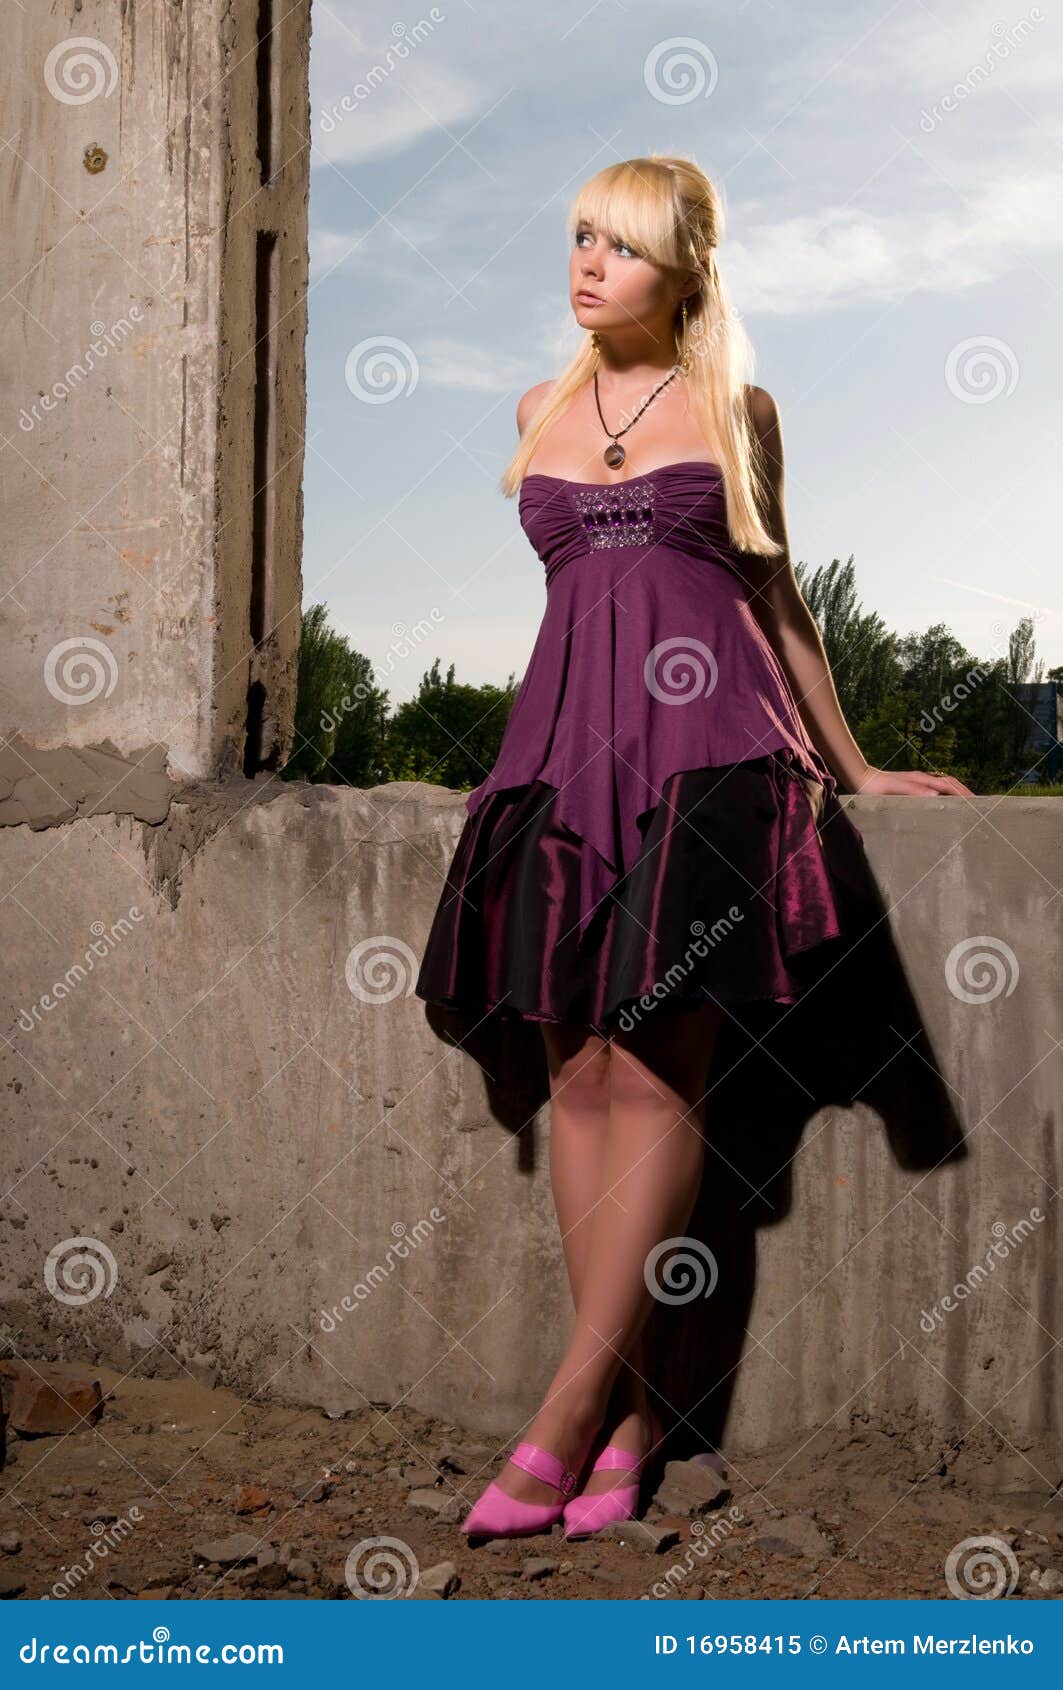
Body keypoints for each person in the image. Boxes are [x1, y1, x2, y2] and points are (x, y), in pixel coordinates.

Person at [414, 153, 974, 1543]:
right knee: (578, 1076)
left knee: (660, 1077)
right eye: (580, 237)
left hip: (709, 764)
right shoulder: (539, 406)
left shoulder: (740, 409)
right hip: (557, 762)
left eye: (623, 245)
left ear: (686, 272)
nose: (587, 263)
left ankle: (561, 1415)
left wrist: (855, 767)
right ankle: (638, 1414)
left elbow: (781, 607)